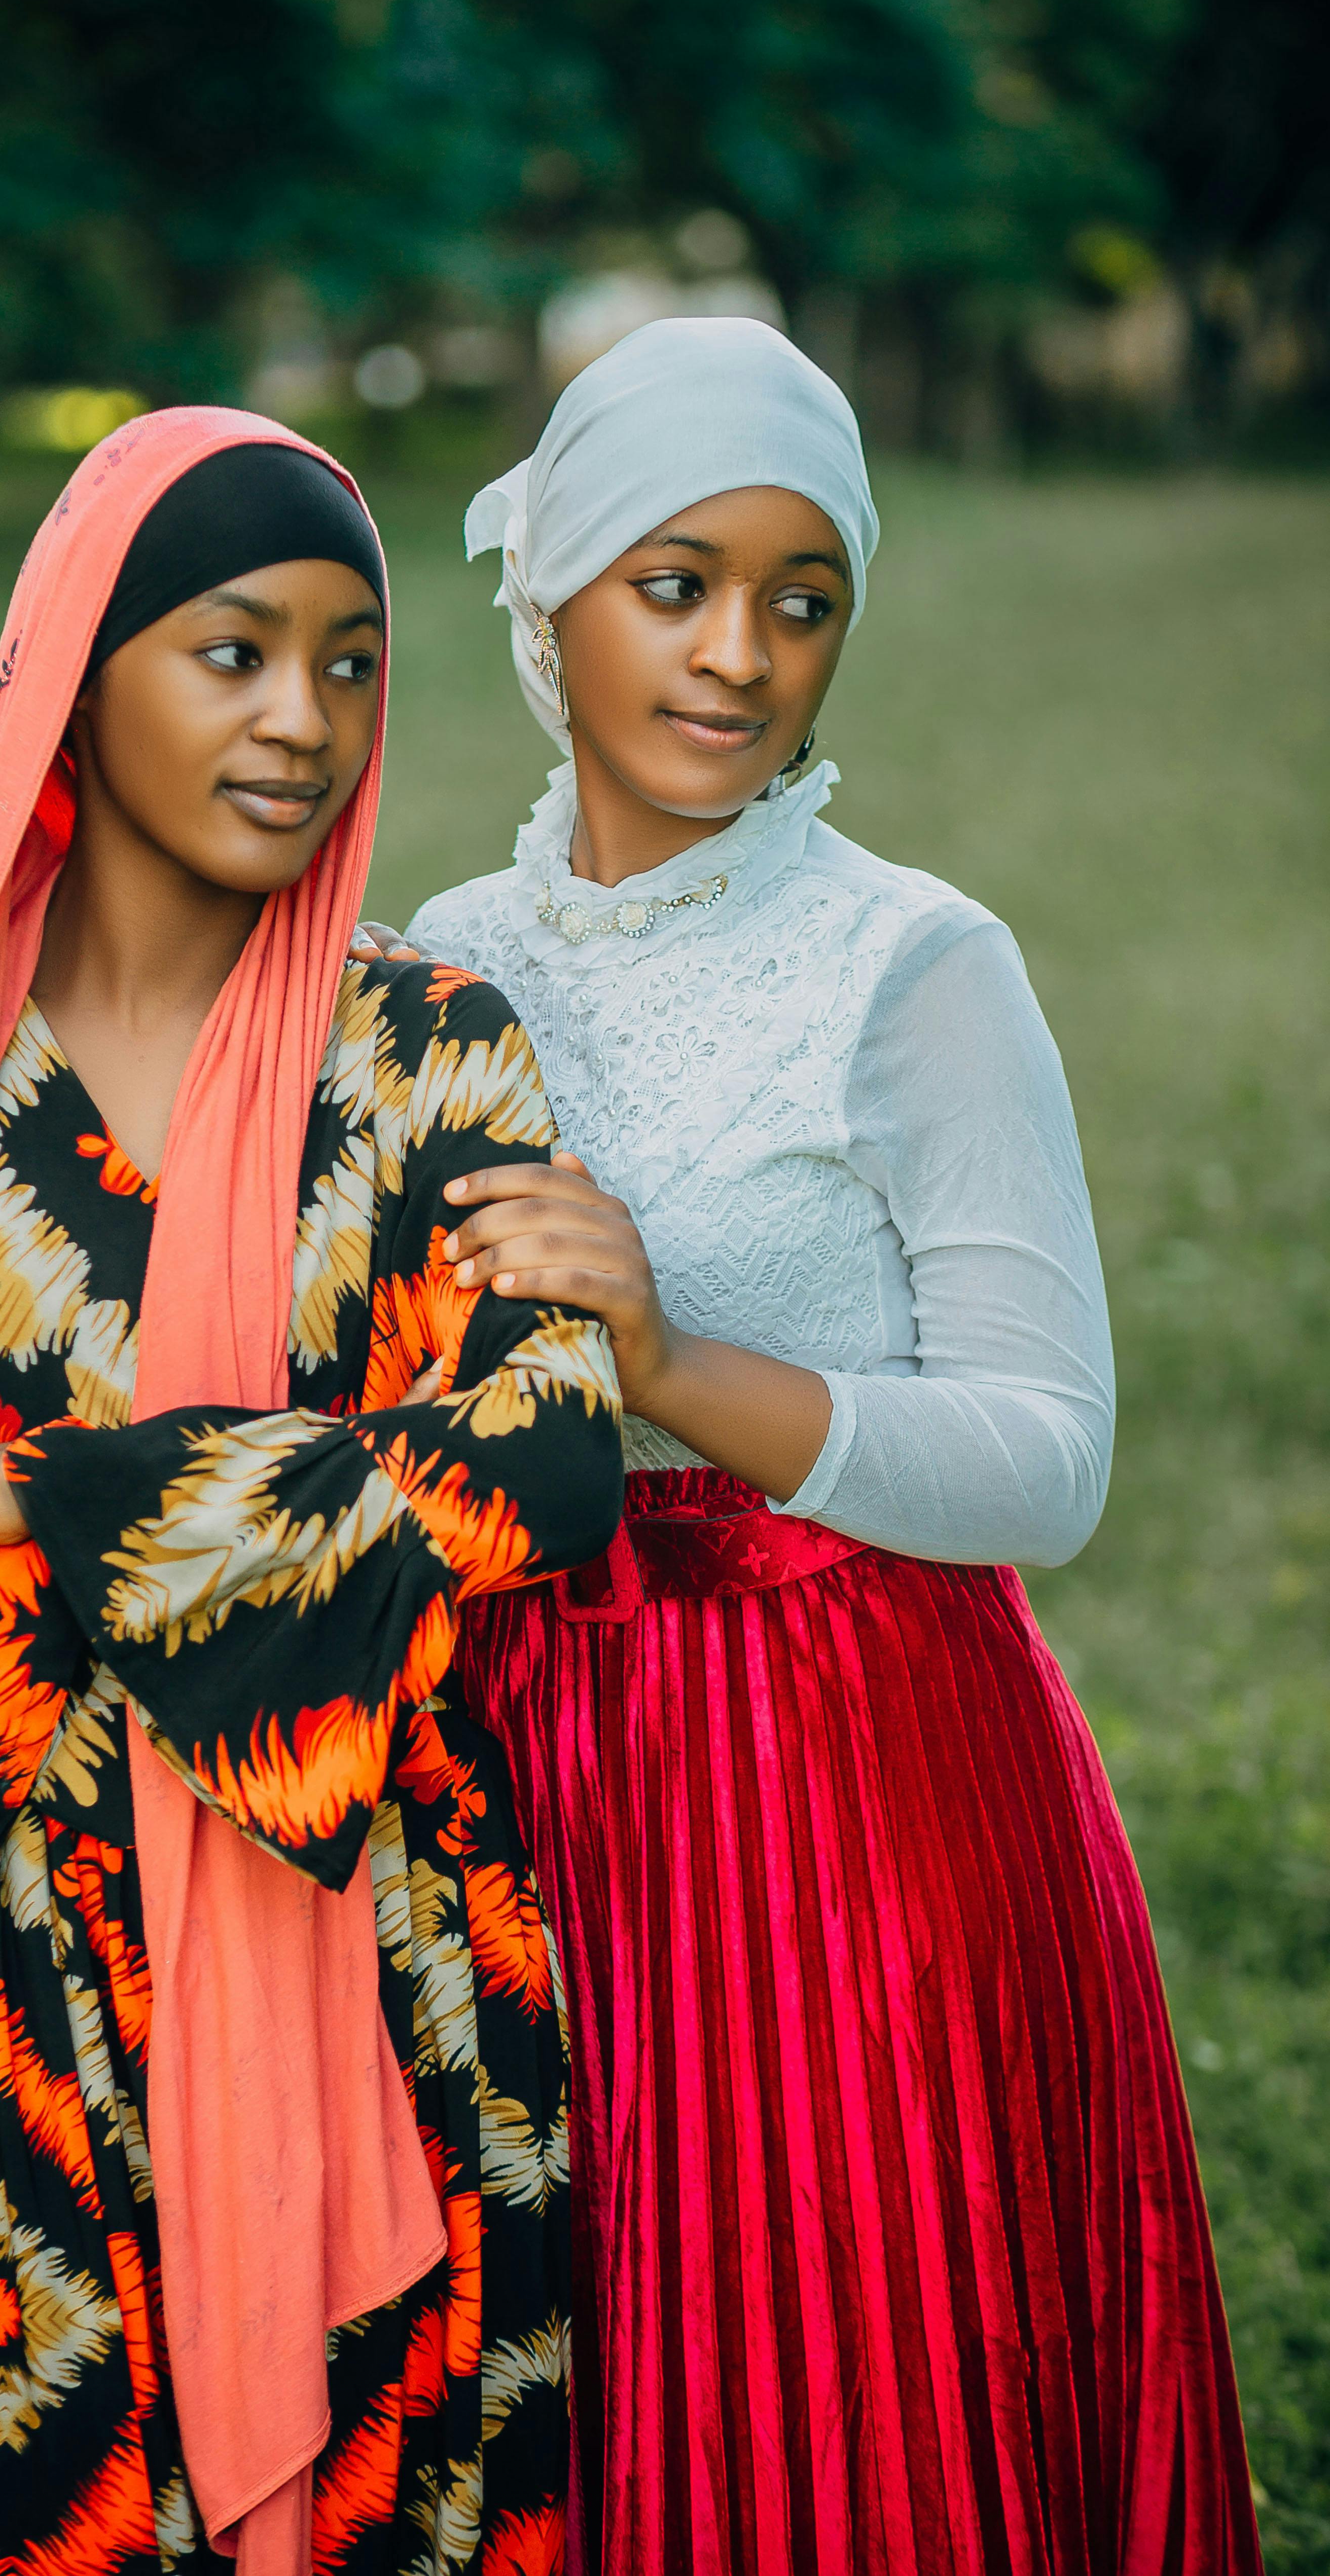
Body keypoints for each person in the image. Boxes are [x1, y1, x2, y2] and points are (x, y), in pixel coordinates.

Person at [0, 408, 625, 2575]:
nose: (306, 721)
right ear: (79, 662)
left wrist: (34, 1500)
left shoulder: (433, 1049)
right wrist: (280, 1536)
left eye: (354, 662)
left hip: (380, 1973)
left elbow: (543, 1459)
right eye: (236, 650)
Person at [399, 319, 1262, 2575]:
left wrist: (673, 1359)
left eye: (803, 598)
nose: (738, 655)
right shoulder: (448, 961)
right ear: (554, 596)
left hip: (852, 1774)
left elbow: (1047, 1454)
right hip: (530, 1781)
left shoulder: (914, 963)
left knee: (856, 2382)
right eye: (676, 583)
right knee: (593, 2388)